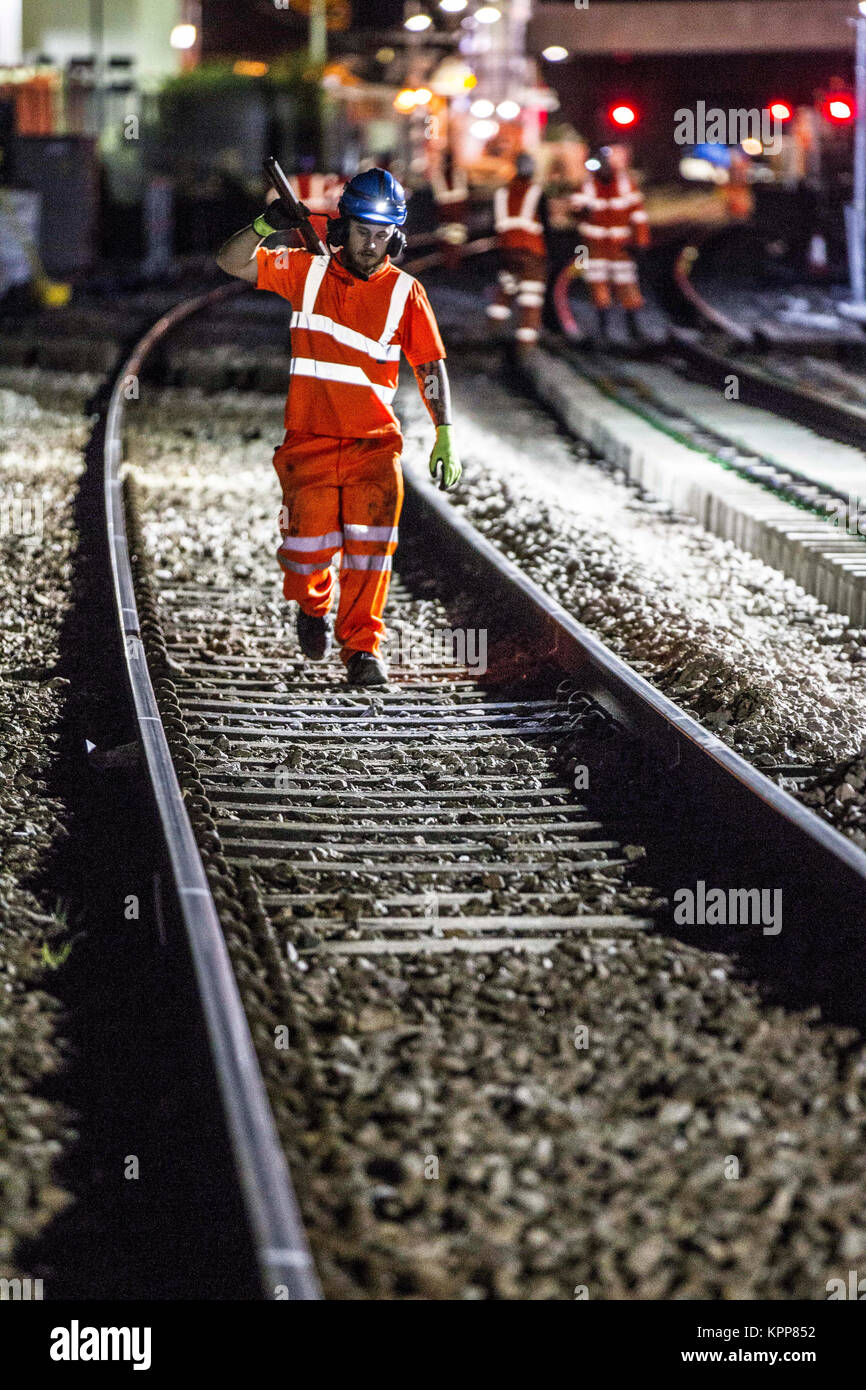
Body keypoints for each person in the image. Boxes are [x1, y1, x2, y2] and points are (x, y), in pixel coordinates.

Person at [215, 168, 461, 688]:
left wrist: (444, 431)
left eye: (381, 233)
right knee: (305, 553)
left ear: (394, 235)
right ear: (342, 227)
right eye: (362, 231)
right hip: (309, 445)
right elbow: (229, 262)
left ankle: (362, 651)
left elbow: (429, 364)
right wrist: (266, 226)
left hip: (375, 447)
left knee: (371, 552)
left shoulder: (405, 293)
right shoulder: (304, 273)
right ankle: (311, 606)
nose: (371, 244)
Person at [572, 146, 650, 343]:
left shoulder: (626, 186)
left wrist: (640, 242)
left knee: (627, 285)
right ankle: (603, 330)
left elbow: (638, 216)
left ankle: (633, 328)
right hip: (596, 247)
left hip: (621, 247)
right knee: (598, 287)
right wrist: (581, 211)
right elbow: (576, 210)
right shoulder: (588, 186)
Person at [487, 151, 548, 347]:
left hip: (507, 252)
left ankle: (493, 335)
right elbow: (546, 227)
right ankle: (526, 346)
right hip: (531, 254)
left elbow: (493, 224)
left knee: (505, 291)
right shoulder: (537, 193)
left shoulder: (501, 193)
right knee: (530, 298)